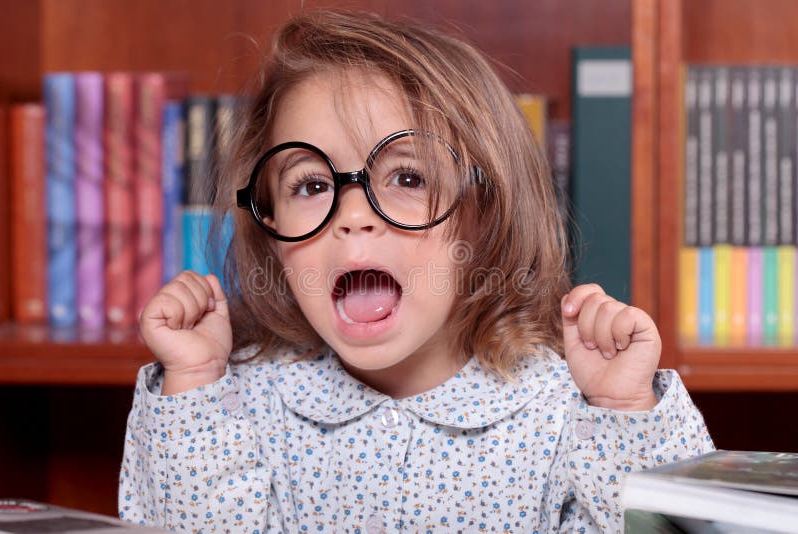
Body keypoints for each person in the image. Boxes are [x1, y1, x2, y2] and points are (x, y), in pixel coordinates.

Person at [119, 10, 713, 533]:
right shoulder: (230, 403)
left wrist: (624, 412)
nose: (352, 217)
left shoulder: (569, 409)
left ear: (488, 212)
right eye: (313, 185)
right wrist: (194, 384)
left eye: (408, 177)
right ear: (270, 228)